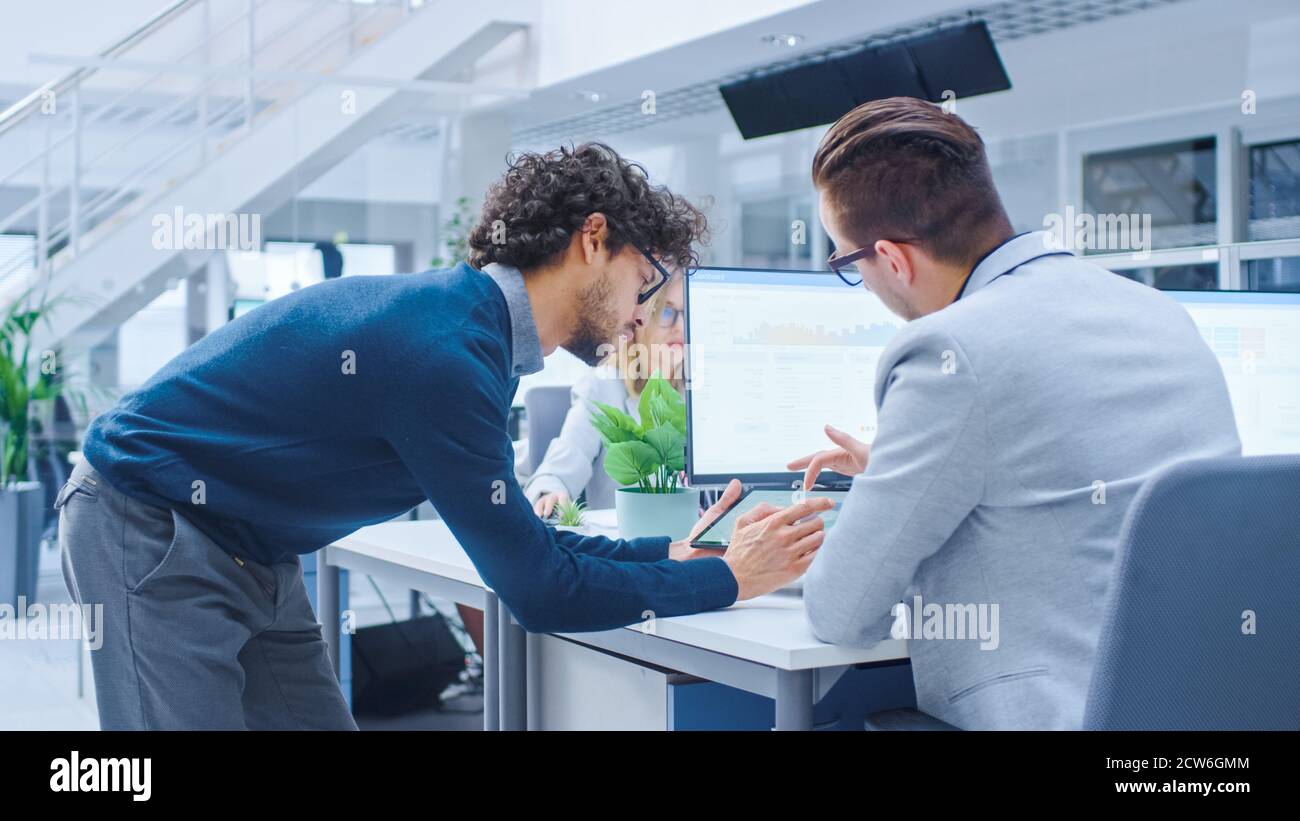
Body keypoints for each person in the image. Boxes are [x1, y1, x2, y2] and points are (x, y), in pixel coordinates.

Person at [57, 142, 831, 730]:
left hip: (252, 547)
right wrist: (727, 579)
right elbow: (539, 590)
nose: (646, 311)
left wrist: (672, 554)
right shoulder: (447, 353)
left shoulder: (476, 336)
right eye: (648, 279)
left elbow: (531, 545)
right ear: (593, 239)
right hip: (149, 521)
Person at [790, 98, 1240, 730]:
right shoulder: (1160, 313)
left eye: (845, 261)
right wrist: (894, 478)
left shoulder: (948, 349)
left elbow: (841, 612)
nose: (857, 277)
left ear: (891, 258)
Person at [526, 268, 686, 517]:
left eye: (688, 313)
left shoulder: (700, 393)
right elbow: (561, 467)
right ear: (641, 318)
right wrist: (550, 493)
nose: (681, 327)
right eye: (667, 311)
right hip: (632, 546)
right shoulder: (604, 386)